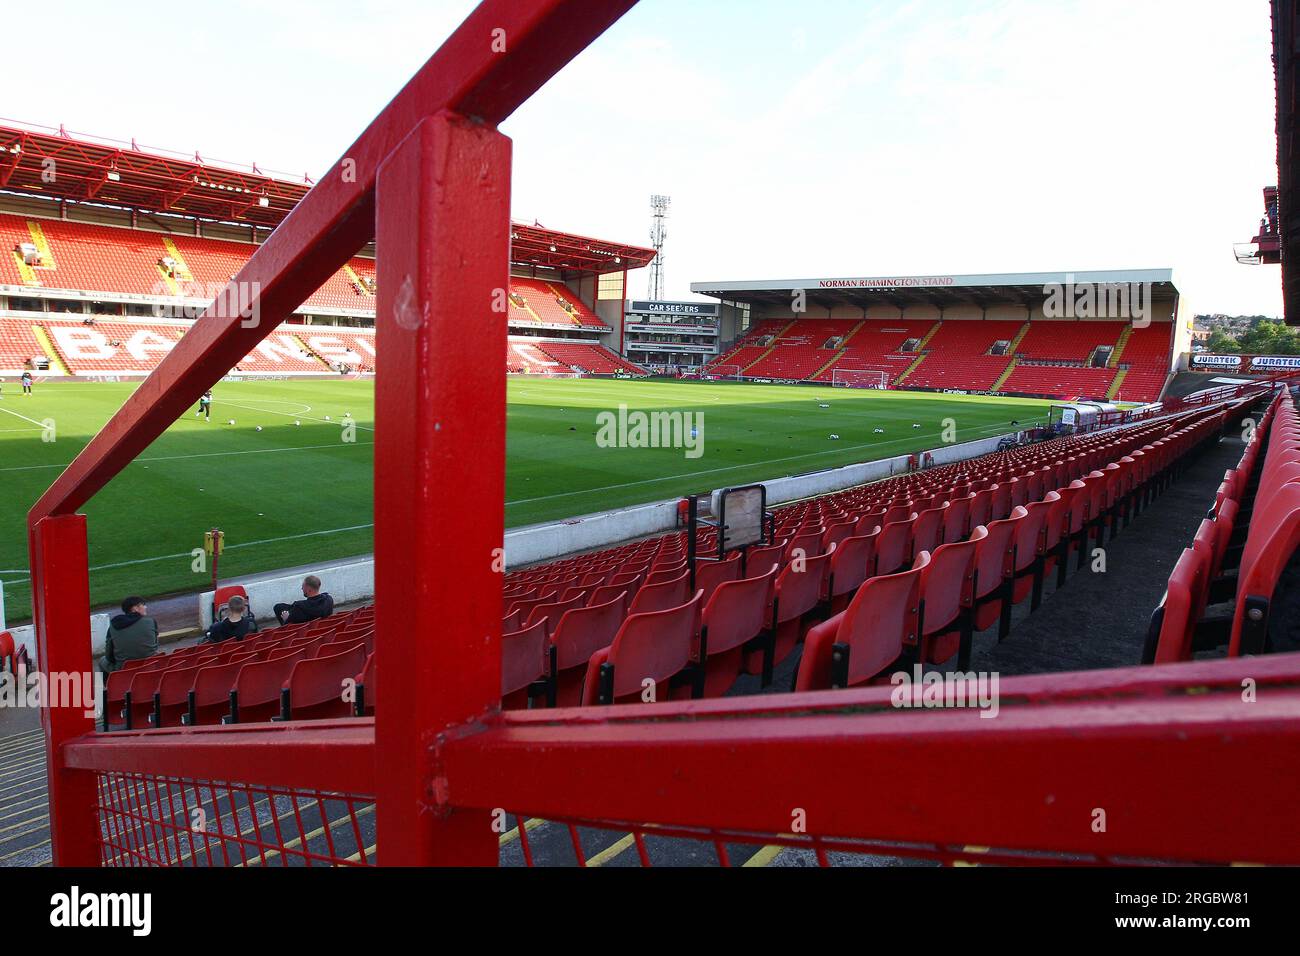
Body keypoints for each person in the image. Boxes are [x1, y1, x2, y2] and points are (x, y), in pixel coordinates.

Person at [101, 596, 159, 672]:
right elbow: (155, 644)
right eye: (143, 605)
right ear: (135, 608)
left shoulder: (113, 625)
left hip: (125, 669)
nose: (145, 607)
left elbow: (109, 655)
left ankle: (104, 684)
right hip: (150, 665)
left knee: (102, 661)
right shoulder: (151, 622)